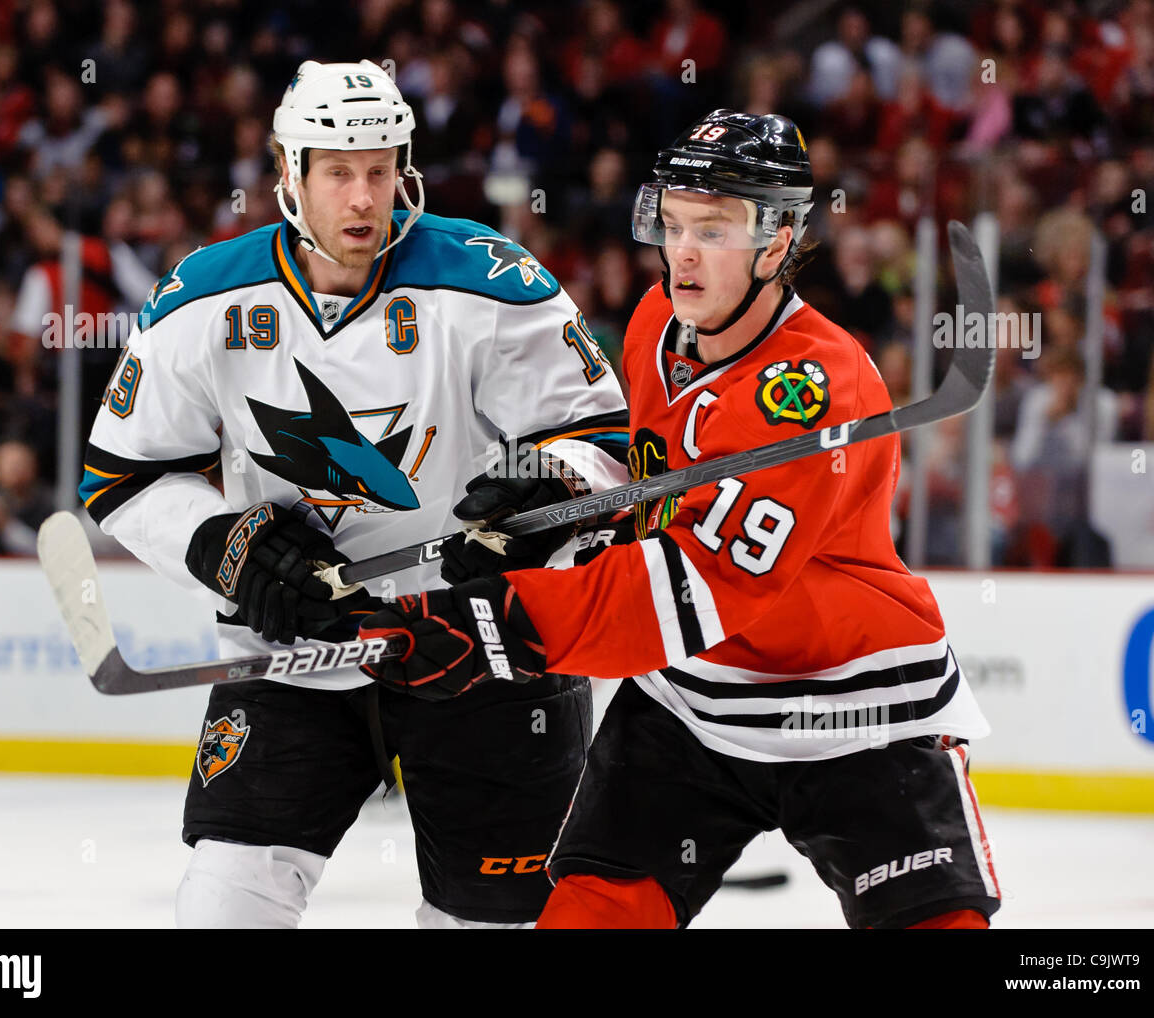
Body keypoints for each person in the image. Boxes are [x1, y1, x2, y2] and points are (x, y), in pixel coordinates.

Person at [360, 110, 1001, 930]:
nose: (684, 251)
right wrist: (560, 488)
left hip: (852, 709)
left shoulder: (811, 387)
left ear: (776, 243)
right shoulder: (657, 323)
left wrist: (504, 622)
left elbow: (698, 584)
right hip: (690, 705)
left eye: (714, 228)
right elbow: (653, 471)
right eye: (673, 223)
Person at [80, 60, 628, 929]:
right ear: (288, 172)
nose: (363, 197)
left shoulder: (491, 281)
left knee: (493, 924)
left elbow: (605, 448)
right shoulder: (204, 298)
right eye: (337, 171)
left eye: (379, 168)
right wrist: (228, 547)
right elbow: (124, 477)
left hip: (484, 651)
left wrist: (543, 493)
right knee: (225, 913)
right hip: (297, 656)